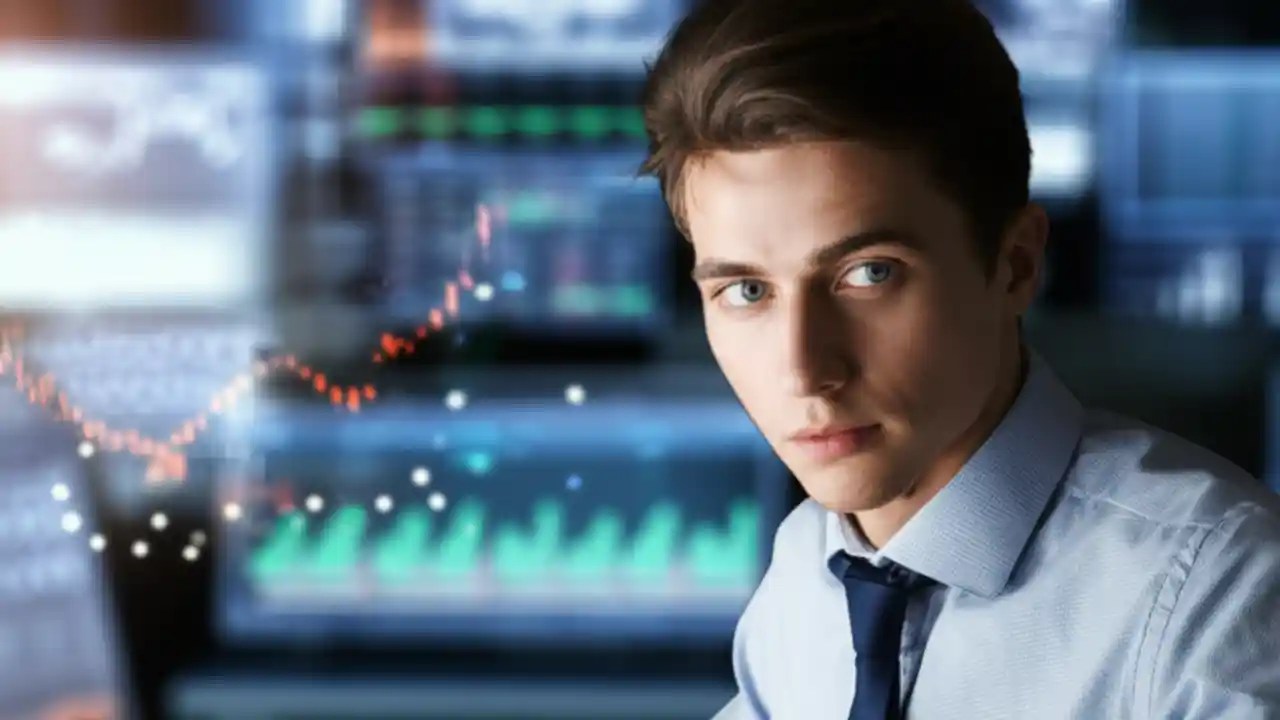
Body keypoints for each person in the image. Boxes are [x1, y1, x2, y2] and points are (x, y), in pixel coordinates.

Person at [638, 0, 1280, 717]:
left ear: (1014, 265)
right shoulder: (804, 578)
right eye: (747, 290)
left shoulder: (1215, 603)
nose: (803, 371)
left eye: (869, 274)